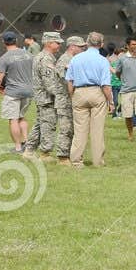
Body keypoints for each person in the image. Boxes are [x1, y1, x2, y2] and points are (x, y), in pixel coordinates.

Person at [66, 30, 114, 167]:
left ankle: (76, 161)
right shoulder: (103, 61)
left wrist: (72, 95)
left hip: (79, 92)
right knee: (97, 129)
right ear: (101, 44)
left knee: (80, 129)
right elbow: (106, 85)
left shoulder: (75, 59)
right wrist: (110, 101)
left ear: (87, 43)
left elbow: (69, 80)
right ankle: (98, 161)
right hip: (96, 92)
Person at [0, 31, 34, 152]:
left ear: (3, 42)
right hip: (29, 91)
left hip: (13, 92)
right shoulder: (28, 54)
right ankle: (27, 144)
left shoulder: (4, 58)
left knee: (13, 119)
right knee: (22, 117)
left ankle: (18, 147)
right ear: (16, 41)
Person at [23, 32, 63, 157]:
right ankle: (45, 153)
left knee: (40, 124)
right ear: (49, 43)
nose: (59, 46)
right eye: (57, 43)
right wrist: (61, 94)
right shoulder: (46, 58)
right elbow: (49, 83)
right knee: (48, 125)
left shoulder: (41, 56)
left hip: (41, 97)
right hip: (47, 98)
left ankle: (29, 150)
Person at [51, 35, 82, 163]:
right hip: (64, 101)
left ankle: (71, 154)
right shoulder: (64, 60)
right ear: (72, 46)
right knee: (66, 129)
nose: (82, 49)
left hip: (71, 99)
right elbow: (66, 80)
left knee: (73, 129)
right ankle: (63, 157)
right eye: (80, 47)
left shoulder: (73, 59)